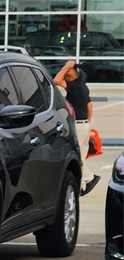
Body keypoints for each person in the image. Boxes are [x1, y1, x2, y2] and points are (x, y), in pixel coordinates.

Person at [54, 60, 100, 196]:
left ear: (72, 76)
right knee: (79, 155)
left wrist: (67, 66)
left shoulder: (74, 86)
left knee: (77, 156)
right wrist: (87, 123)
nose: (65, 78)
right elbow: (89, 106)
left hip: (79, 126)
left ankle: (87, 180)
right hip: (83, 124)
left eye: (67, 76)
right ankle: (84, 181)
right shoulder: (82, 86)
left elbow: (56, 80)